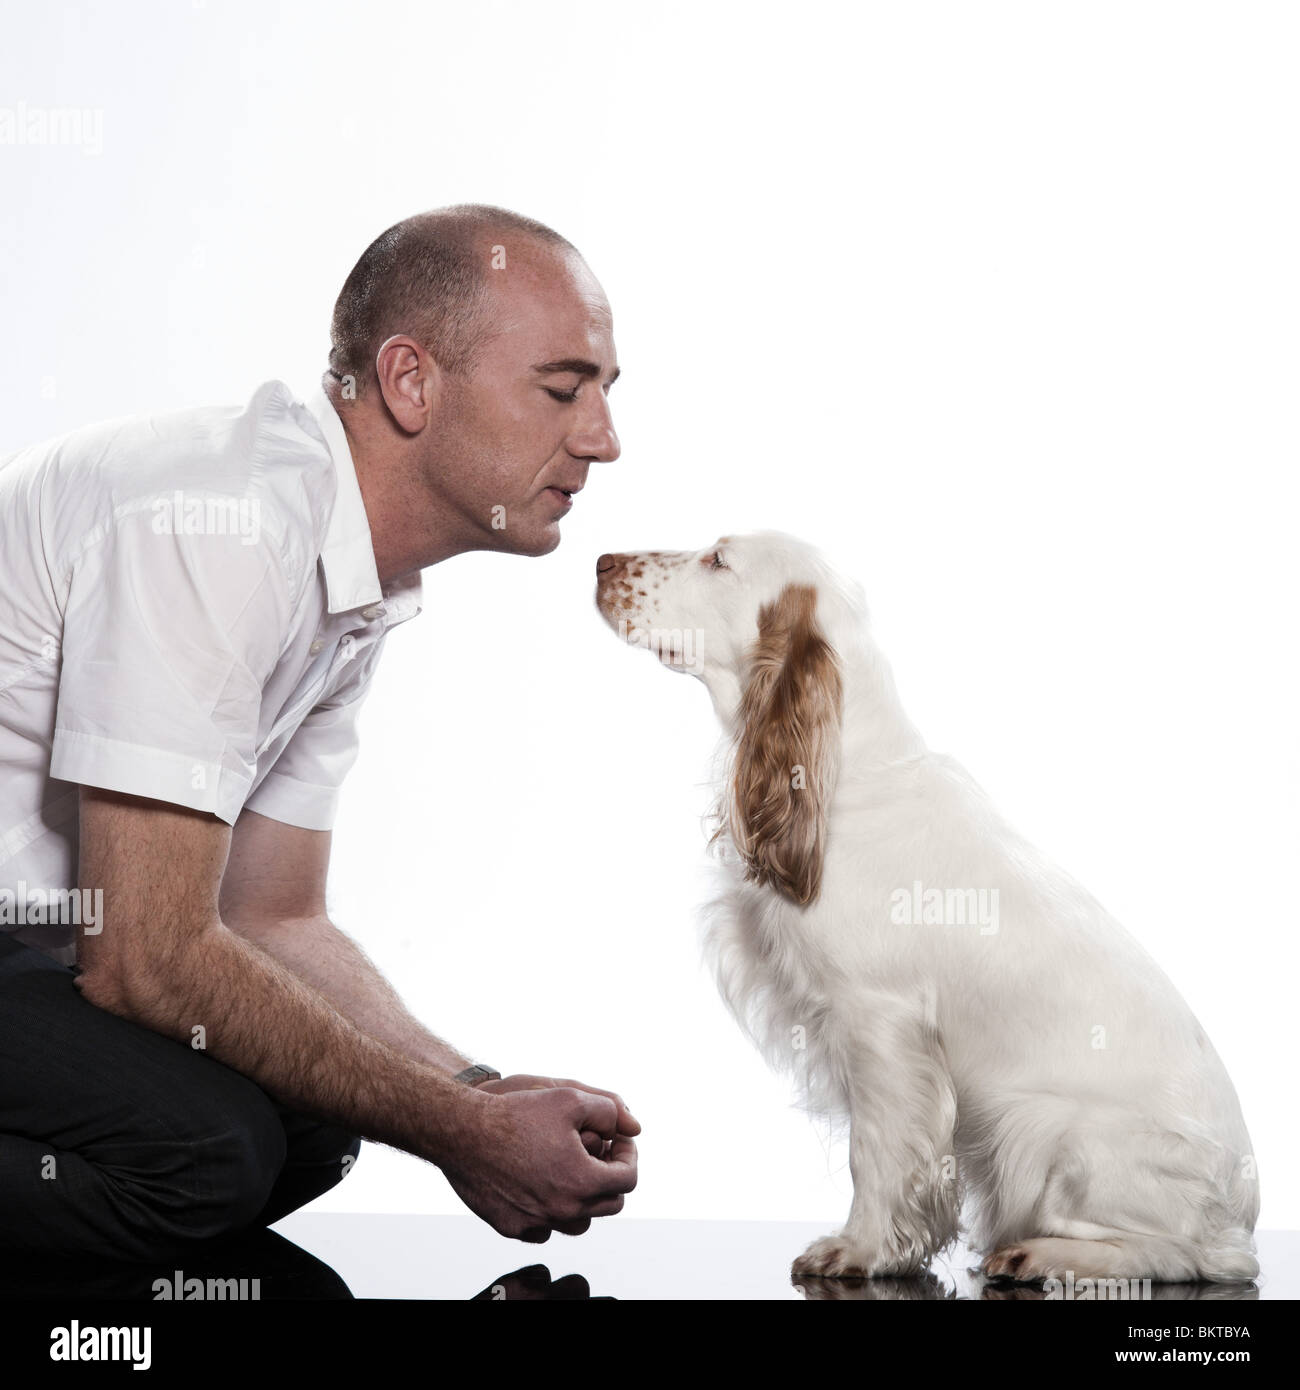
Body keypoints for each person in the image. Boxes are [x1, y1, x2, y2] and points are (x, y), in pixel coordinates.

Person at [0, 204, 636, 1262]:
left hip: (28, 952)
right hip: (40, 952)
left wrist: (469, 1091)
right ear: (410, 380)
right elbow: (147, 961)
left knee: (310, 1126)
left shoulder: (354, 580)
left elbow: (270, 914)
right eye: (563, 390)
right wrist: (462, 1134)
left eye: (605, 396)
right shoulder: (223, 524)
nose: (601, 439)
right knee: (204, 1147)